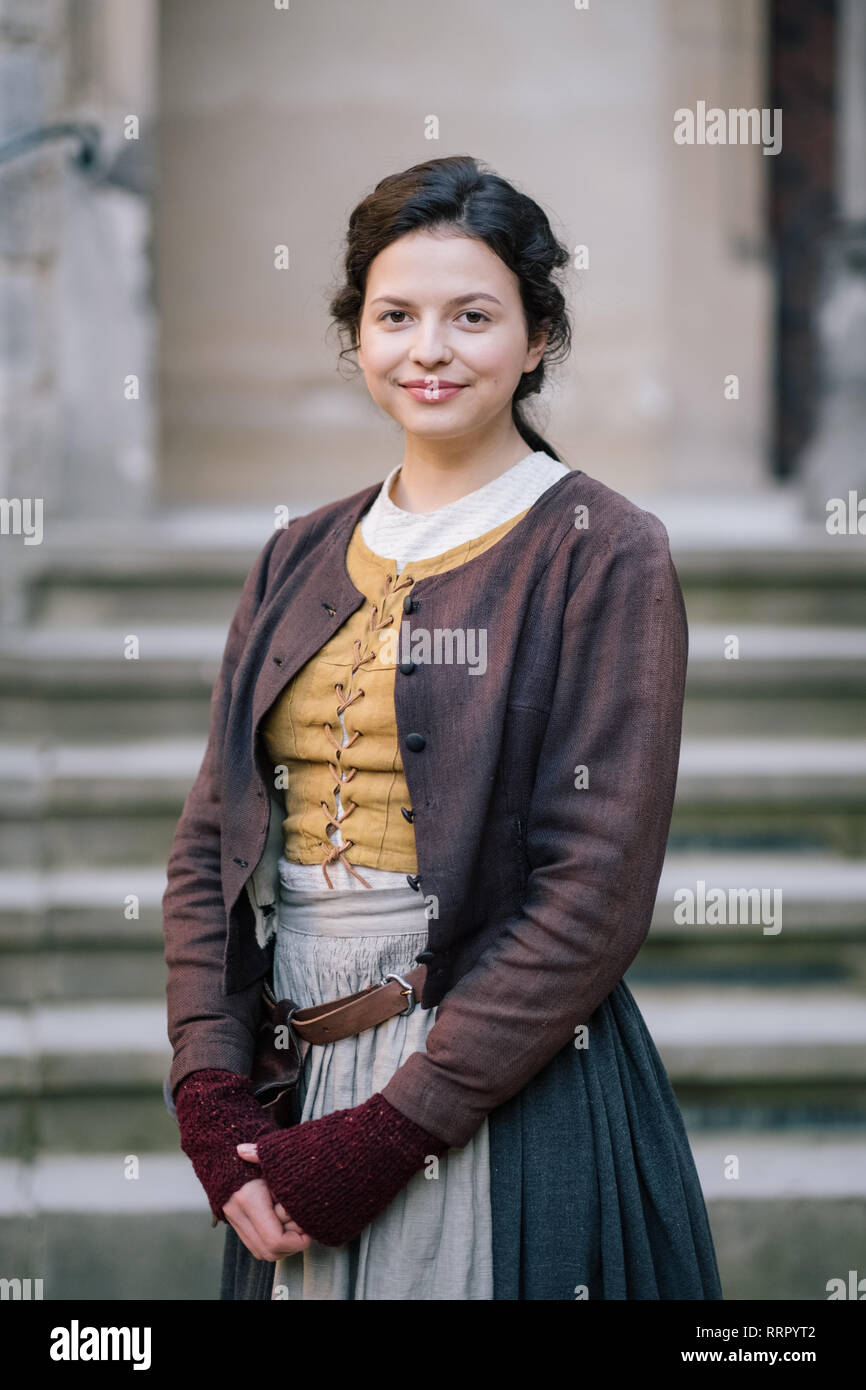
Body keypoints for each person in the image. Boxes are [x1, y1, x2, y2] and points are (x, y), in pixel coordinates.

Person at [163, 154, 724, 1301]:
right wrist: (212, 1099)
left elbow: (591, 894)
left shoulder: (602, 552)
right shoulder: (297, 552)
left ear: (534, 338)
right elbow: (207, 850)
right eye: (395, 315)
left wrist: (385, 1133)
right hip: (295, 1086)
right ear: (356, 336)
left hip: (497, 1082)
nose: (429, 349)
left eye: (472, 315)